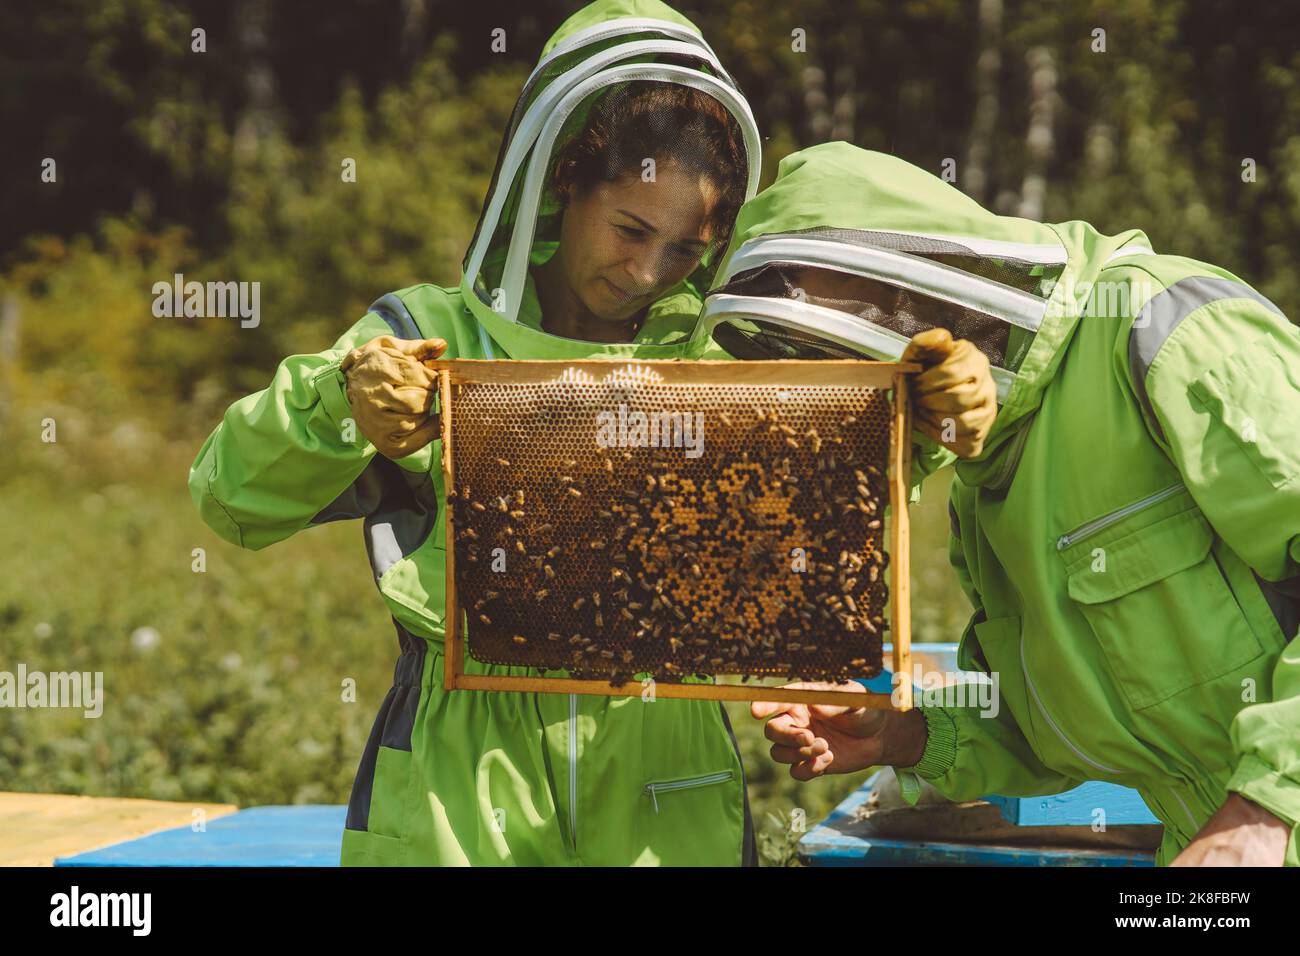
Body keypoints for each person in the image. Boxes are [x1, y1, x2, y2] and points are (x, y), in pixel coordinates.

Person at [190, 0, 766, 866]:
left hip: (666, 766)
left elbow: (832, 512)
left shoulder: (714, 358)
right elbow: (229, 496)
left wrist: (929, 418)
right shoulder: (428, 335)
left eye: (686, 249)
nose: (650, 272)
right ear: (562, 180)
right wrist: (344, 404)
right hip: (464, 776)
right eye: (632, 230)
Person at [732, 142, 1300, 866]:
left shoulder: (1161, 331)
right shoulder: (986, 488)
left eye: (852, 321)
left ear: (913, 272)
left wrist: (1260, 813)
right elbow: (1041, 721)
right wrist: (900, 733)